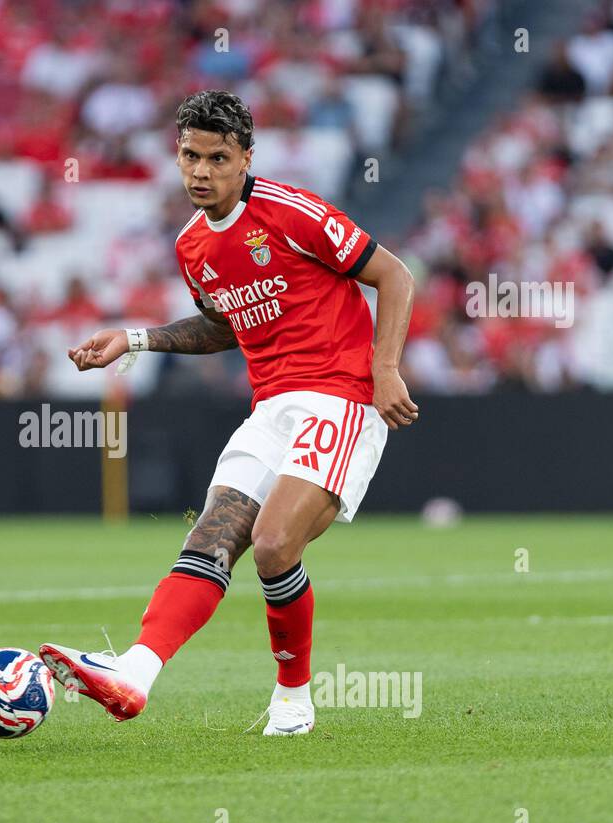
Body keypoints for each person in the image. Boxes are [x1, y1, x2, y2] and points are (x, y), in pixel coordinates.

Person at [41, 90, 419, 736]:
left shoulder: (291, 212)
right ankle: (136, 671)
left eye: (218, 158)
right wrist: (135, 339)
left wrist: (384, 368)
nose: (201, 171)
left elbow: (394, 275)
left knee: (273, 546)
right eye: (190, 156)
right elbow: (223, 327)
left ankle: (294, 699)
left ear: (246, 157)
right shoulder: (193, 247)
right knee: (212, 538)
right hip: (269, 407)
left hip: (341, 396)